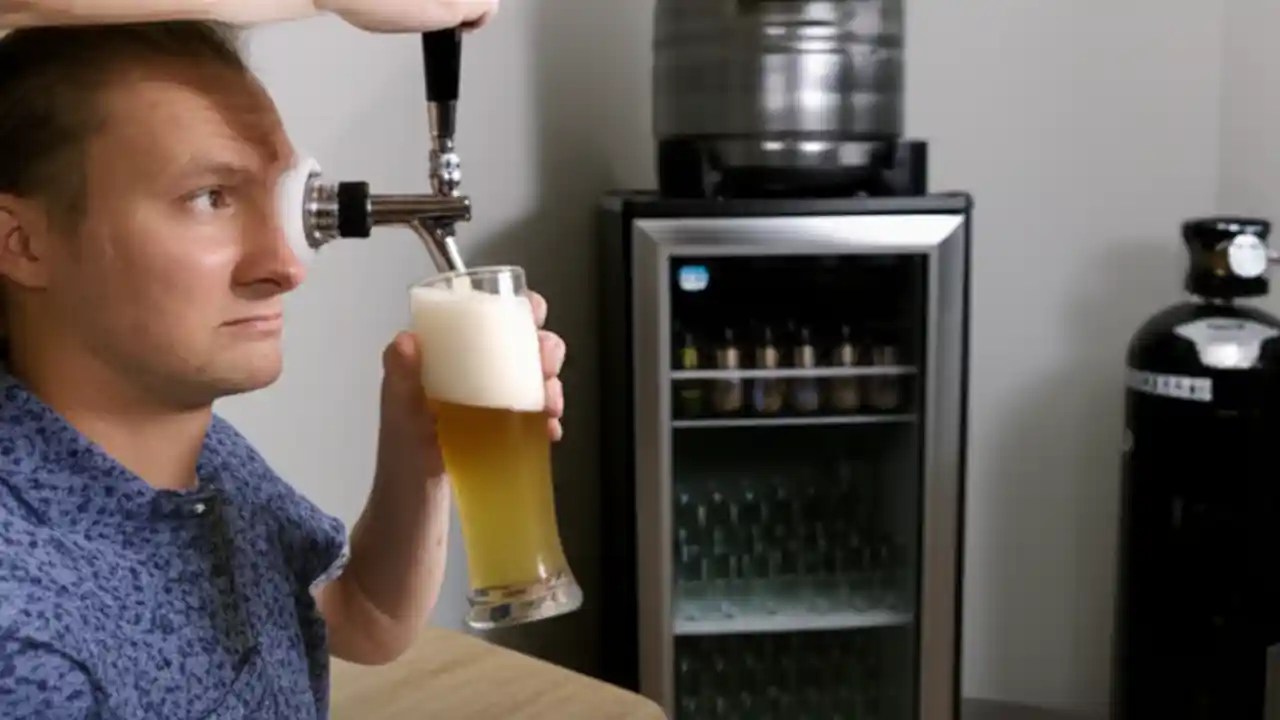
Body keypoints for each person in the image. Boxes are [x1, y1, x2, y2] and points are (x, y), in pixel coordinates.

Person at [0, 6, 569, 719]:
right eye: (210, 198)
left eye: (273, 196)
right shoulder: (25, 634)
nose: (282, 266)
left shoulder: (201, 457)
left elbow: (363, 617)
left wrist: (418, 459)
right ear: (22, 243)